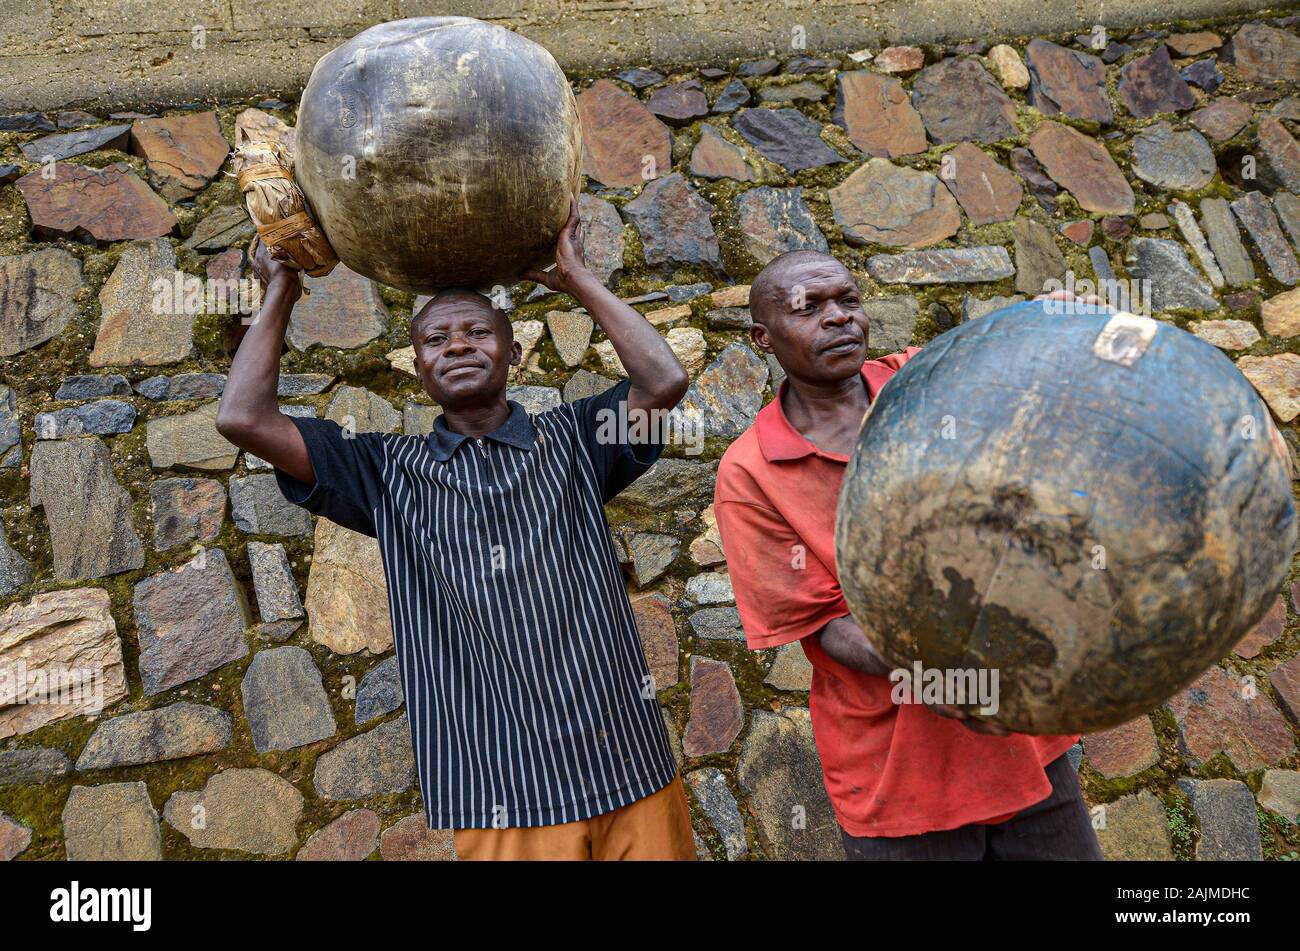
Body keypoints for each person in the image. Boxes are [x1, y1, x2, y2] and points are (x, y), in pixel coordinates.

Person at [216, 199, 696, 861]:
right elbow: (243, 417)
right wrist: (281, 290)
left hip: (628, 763)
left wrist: (579, 279)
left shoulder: (579, 440)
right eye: (436, 340)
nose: (458, 345)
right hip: (505, 788)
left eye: (477, 331)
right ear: (416, 366)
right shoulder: (383, 471)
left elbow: (664, 378)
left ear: (515, 350)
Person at [713, 250, 1103, 860]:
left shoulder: (924, 382)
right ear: (763, 339)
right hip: (900, 779)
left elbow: (1018, 355)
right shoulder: (753, 471)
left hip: (1022, 744)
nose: (839, 318)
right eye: (808, 308)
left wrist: (1068, 326)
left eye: (847, 300)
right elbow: (826, 628)